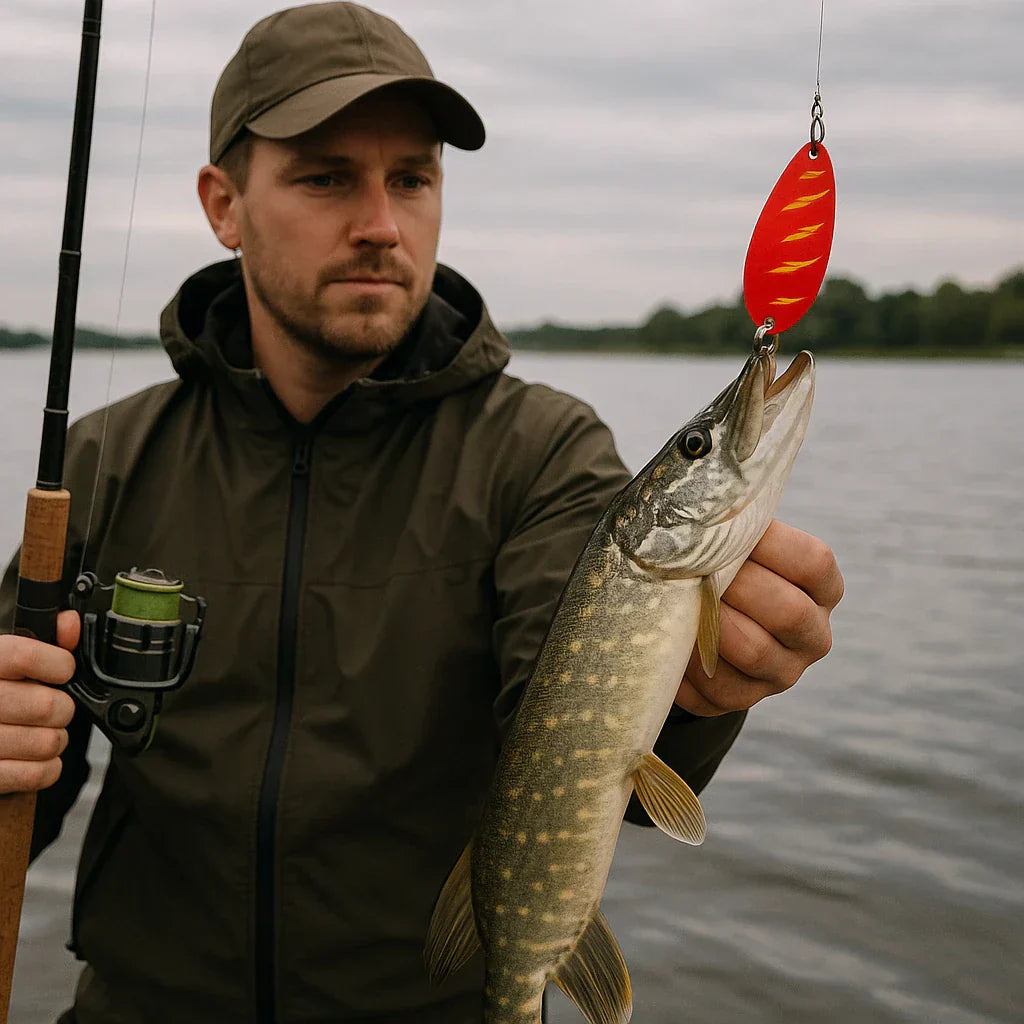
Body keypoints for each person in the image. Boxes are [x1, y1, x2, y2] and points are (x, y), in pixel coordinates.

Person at [0, 4, 844, 1022]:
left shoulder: (541, 455)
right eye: (326, 178)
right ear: (224, 204)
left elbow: (578, 730)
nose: (381, 225)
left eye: (412, 177)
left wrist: (701, 696)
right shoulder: (103, 462)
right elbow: (22, 795)